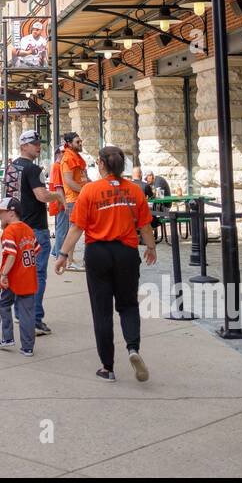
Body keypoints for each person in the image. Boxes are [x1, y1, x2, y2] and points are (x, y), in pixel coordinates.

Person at [57, 145, 156, 383]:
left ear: (101, 164)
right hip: (126, 252)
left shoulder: (90, 191)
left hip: (98, 252)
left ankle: (107, 367)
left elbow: (77, 227)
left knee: (101, 311)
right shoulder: (134, 190)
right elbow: (145, 226)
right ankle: (133, 348)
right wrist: (151, 248)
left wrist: (63, 254)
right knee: (129, 305)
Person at [8, 129, 65, 335]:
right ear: (24, 146)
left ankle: (19, 312)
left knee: (18, 270)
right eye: (34, 143)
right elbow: (41, 196)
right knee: (37, 273)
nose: (38, 146)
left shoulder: (11, 167)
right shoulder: (33, 169)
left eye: (39, 142)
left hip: (16, 226)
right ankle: (34, 317)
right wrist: (57, 196)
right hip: (34, 228)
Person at [0, 198, 39, 357]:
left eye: (1, 212)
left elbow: (11, 255)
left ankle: (7, 337)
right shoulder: (28, 229)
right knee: (27, 312)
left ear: (11, 213)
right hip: (28, 276)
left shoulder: (9, 231)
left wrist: (4, 274)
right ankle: (27, 347)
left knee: (2, 303)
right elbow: (36, 249)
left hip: (12, 278)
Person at [54, 132, 87, 272]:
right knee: (73, 230)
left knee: (76, 229)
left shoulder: (76, 157)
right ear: (69, 143)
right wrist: (85, 190)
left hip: (81, 197)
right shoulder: (68, 158)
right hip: (75, 199)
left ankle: (71, 260)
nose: (80, 144)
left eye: (80, 141)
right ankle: (69, 261)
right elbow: (68, 181)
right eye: (77, 142)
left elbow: (82, 177)